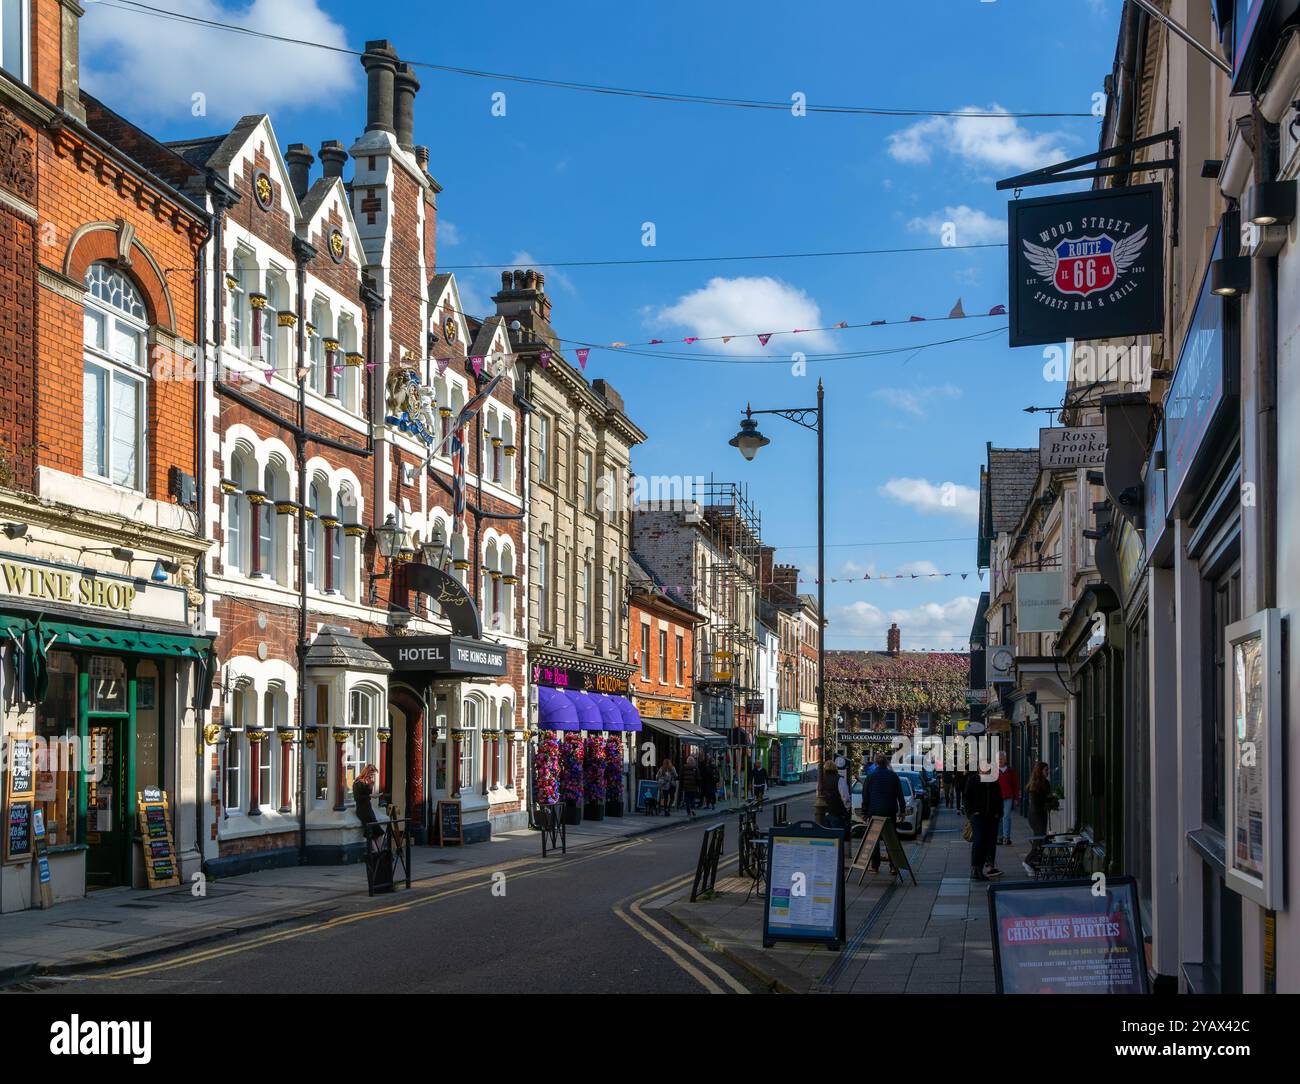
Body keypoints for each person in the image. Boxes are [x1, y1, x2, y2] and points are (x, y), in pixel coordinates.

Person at [861, 753, 906, 871]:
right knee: (891, 839)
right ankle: (893, 866)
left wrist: (864, 812)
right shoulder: (893, 776)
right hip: (889, 811)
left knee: (874, 839)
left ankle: (875, 866)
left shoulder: (870, 777)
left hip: (874, 812)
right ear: (886, 763)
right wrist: (902, 811)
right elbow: (900, 795)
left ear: (876, 763)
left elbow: (865, 796)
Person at [964, 767, 1003, 880]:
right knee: (979, 840)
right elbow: (967, 797)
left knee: (988, 842)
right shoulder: (973, 780)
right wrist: (971, 813)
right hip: (978, 816)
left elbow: (999, 798)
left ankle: (981, 868)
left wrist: (998, 813)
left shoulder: (993, 781)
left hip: (991, 817)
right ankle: (975, 868)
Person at [997, 752, 1021, 846]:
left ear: (1005, 759)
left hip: (1008, 797)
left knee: (1006, 817)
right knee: (998, 817)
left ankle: (1006, 837)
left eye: (1002, 758)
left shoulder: (1010, 771)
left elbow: (1015, 785)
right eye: (998, 758)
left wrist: (1016, 798)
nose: (1000, 760)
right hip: (997, 798)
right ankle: (999, 837)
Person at [819, 760, 850, 832]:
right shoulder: (839, 779)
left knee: (827, 837)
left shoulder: (821, 780)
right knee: (838, 836)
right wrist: (847, 808)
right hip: (837, 812)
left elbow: (819, 794)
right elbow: (845, 797)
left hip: (824, 812)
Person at [1025, 761, 1052, 843]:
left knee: (1040, 840)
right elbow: (1037, 801)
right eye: (1046, 770)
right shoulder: (1035, 784)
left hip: (1042, 813)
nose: (1048, 772)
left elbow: (1047, 798)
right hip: (1035, 815)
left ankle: (1037, 855)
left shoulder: (1046, 783)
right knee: (1040, 839)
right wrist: (1049, 801)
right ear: (1040, 771)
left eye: (1048, 770)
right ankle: (1033, 856)